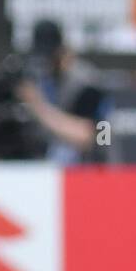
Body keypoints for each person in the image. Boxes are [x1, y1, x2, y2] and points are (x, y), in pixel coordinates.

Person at [14, 19, 112, 165]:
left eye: (49, 56)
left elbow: (89, 137)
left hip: (93, 166)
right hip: (50, 162)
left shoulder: (87, 82)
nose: (44, 63)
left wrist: (36, 104)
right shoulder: (43, 78)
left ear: (61, 51)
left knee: (64, 151)